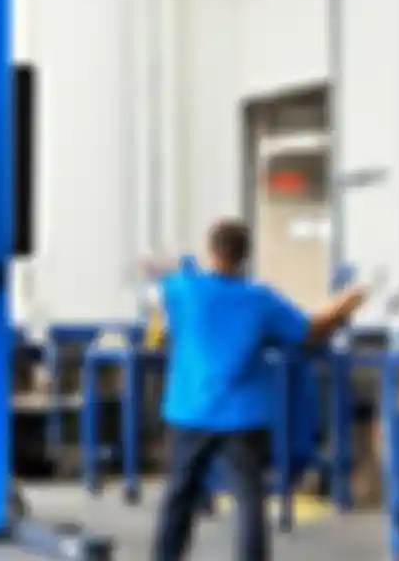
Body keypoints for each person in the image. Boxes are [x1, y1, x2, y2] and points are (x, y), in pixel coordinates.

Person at [150, 219, 368, 561]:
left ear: (211, 250)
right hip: (242, 415)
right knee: (249, 500)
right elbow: (309, 331)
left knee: (180, 493)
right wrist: (346, 303)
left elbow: (160, 290)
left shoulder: (183, 290)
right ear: (246, 256)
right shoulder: (260, 300)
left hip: (190, 410)